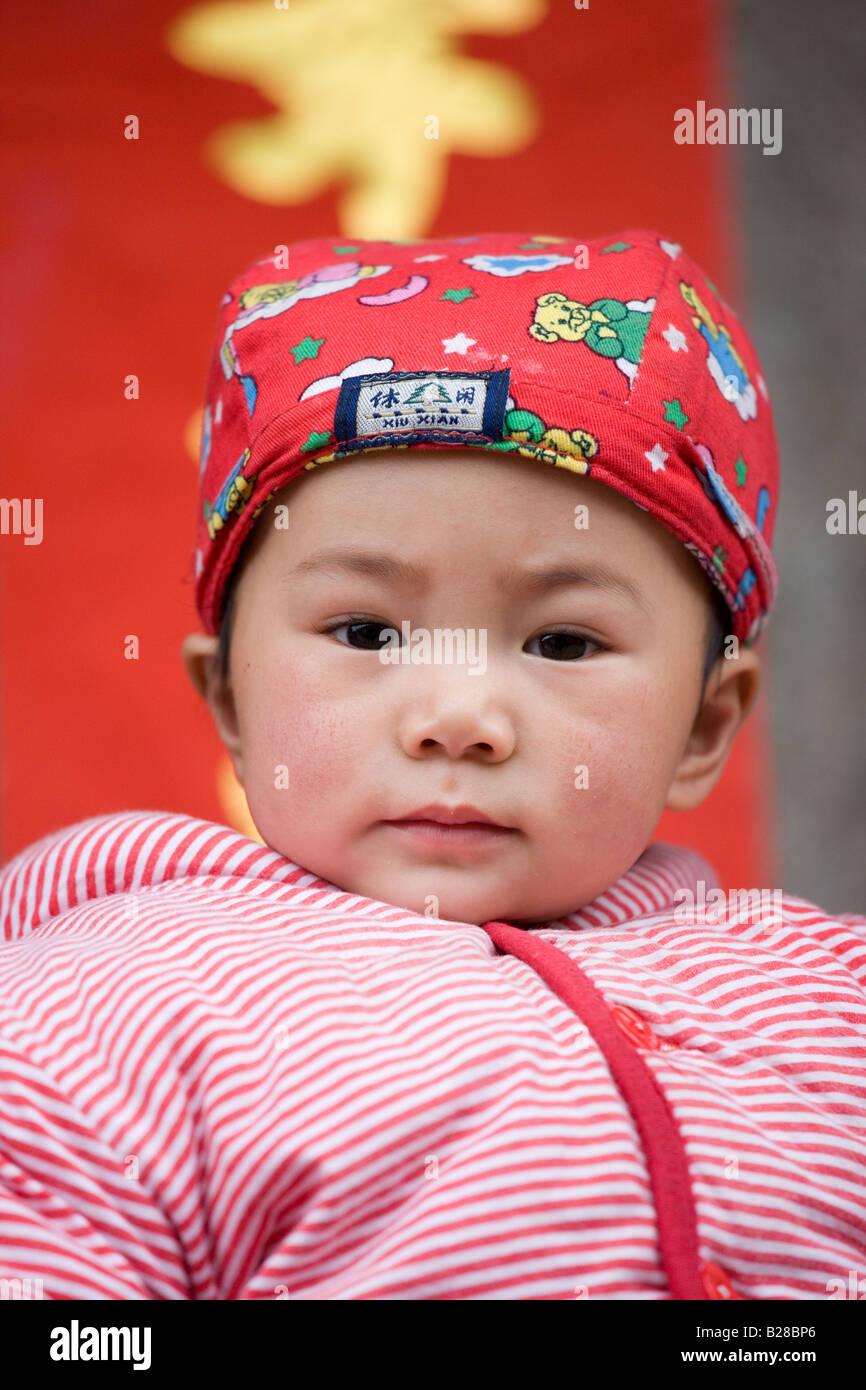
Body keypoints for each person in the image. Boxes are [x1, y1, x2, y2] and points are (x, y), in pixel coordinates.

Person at [1, 230, 864, 1301]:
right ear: (230, 696)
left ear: (702, 723)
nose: (458, 720)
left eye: (560, 642)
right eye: (365, 632)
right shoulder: (103, 1009)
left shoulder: (829, 999)